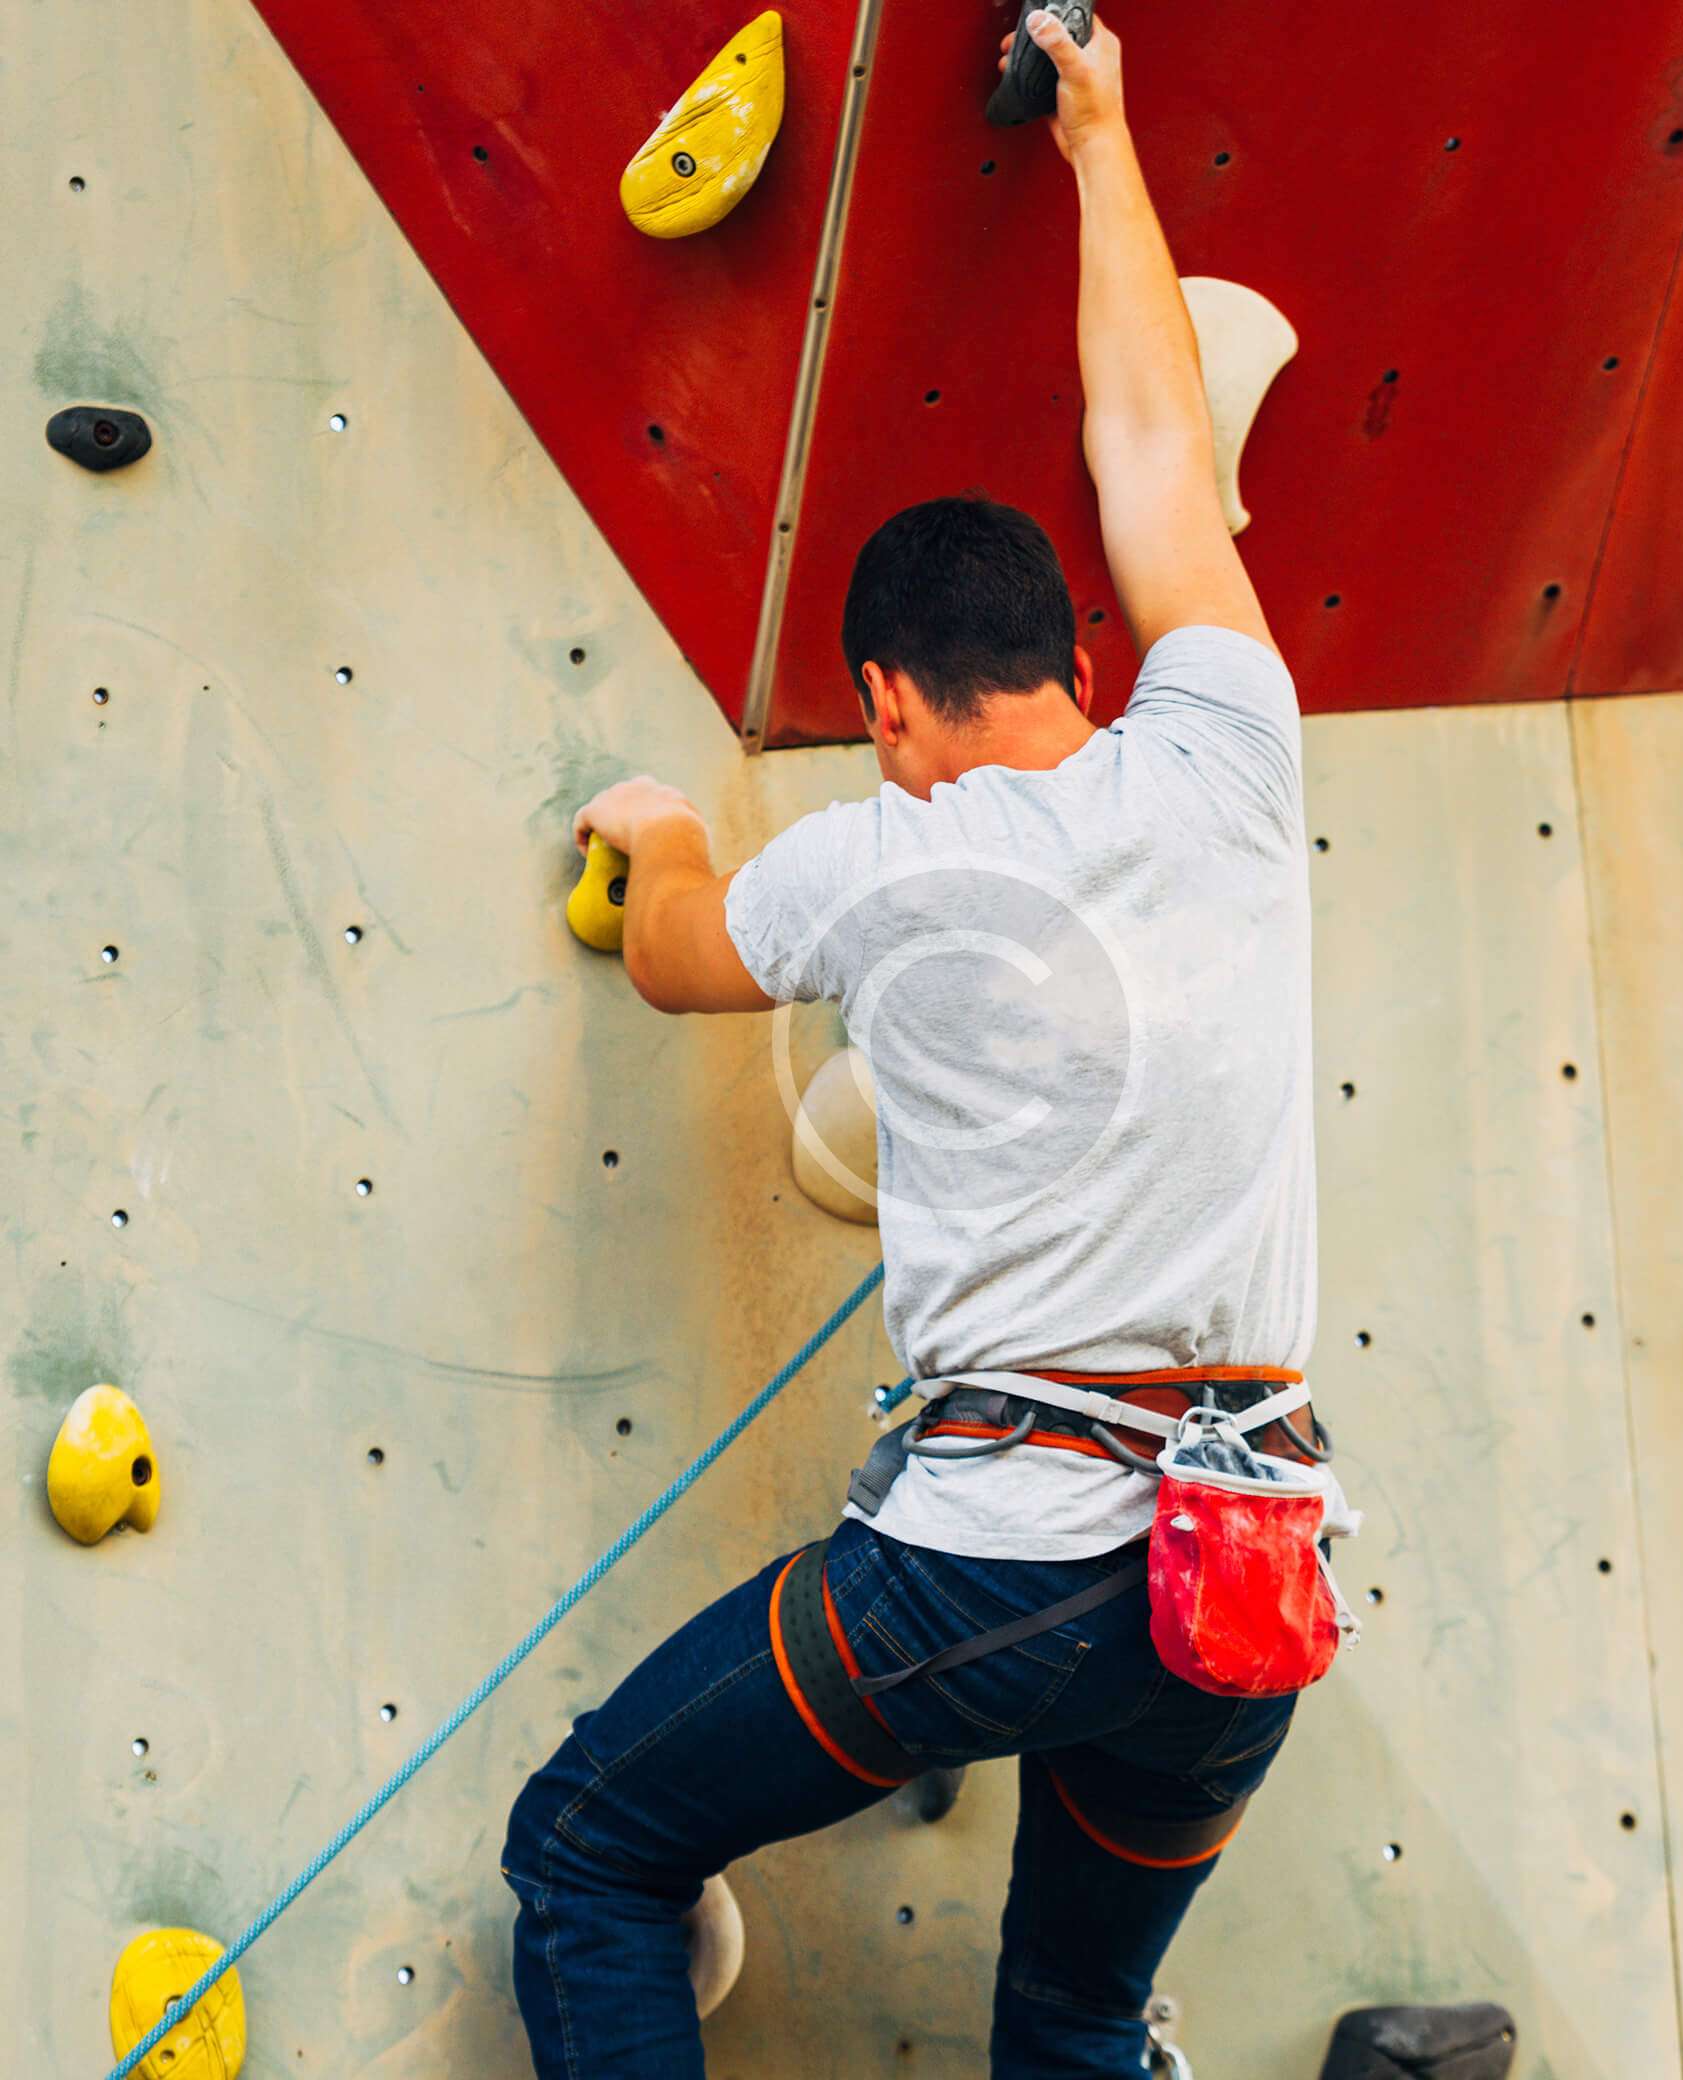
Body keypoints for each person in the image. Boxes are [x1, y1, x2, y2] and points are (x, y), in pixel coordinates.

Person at [503, 15, 1322, 2075]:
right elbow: (1150, 442)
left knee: (594, 1840)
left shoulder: (878, 859)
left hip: (1005, 1570)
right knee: (1072, 2016)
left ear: (886, 698)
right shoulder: (1229, 749)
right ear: (1082, 649)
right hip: (1247, 1588)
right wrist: (1101, 133)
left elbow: (681, 954)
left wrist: (664, 831)